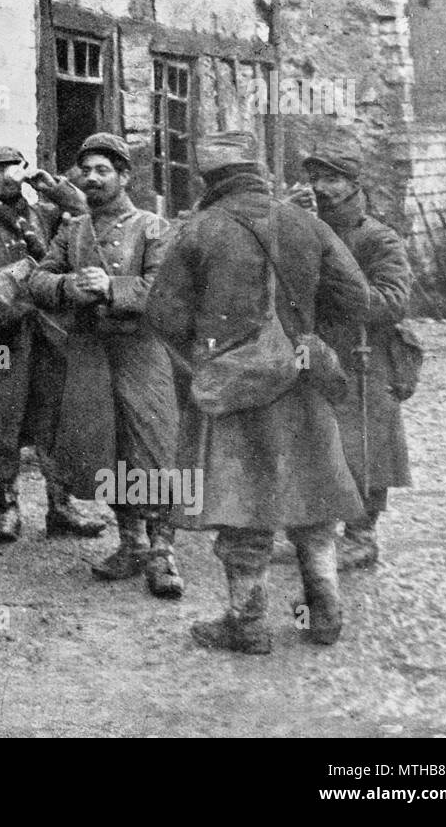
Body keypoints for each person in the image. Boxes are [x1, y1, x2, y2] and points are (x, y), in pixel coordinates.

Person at [145, 131, 369, 653]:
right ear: (258, 172)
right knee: (313, 506)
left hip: (233, 393)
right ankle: (325, 616)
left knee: (244, 510)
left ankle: (247, 625)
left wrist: (206, 357)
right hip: (303, 384)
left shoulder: (200, 230)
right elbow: (356, 299)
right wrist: (306, 340)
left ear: (211, 180)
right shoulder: (307, 223)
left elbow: (161, 315)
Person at [28, 135, 185, 597]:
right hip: (90, 352)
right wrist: (67, 287)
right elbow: (38, 278)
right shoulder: (72, 230)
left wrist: (113, 286)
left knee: (150, 447)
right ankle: (130, 542)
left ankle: (162, 553)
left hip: (141, 351)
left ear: (124, 176)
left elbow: (167, 292)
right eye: (86, 170)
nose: (92, 179)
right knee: (104, 446)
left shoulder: (153, 227)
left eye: (103, 170)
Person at [0, 146, 103, 542]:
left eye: (15, 166)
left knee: (56, 418)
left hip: (51, 331)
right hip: (3, 339)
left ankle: (61, 508)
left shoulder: (45, 215)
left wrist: (60, 192)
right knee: (0, 418)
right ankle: (7, 509)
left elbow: (87, 228)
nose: (8, 174)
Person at [299, 140, 413, 570]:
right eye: (316, 179)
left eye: (332, 179)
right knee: (316, 440)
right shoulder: (306, 228)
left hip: (366, 356)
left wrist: (341, 286)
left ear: (354, 185)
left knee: (366, 446)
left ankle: (363, 537)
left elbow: (393, 302)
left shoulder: (378, 237)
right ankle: (319, 532)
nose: (321, 188)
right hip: (318, 352)